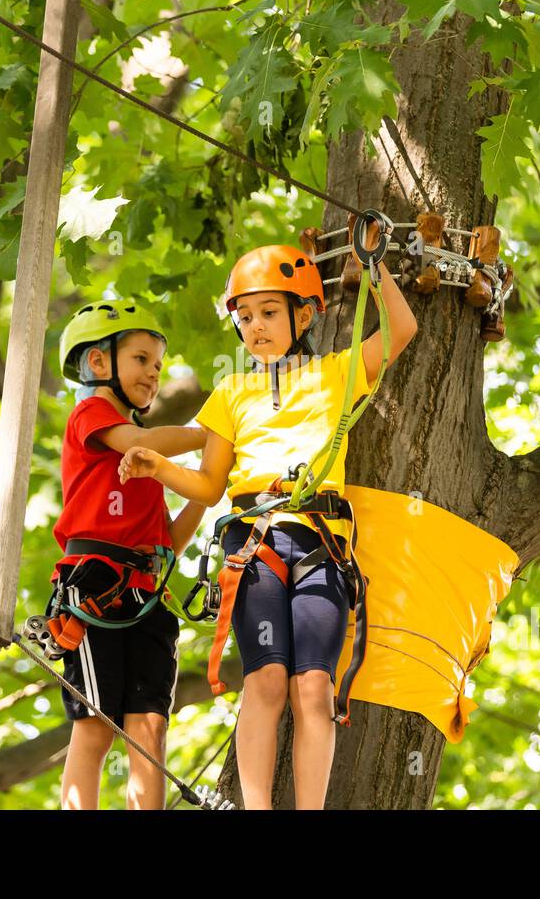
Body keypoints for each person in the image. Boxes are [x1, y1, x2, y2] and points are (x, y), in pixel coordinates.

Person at [117, 238, 417, 808]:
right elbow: (209, 486)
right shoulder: (231, 393)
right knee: (266, 680)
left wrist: (373, 265)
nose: (255, 327)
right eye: (246, 316)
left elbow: (401, 330)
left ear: (303, 314)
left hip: (320, 545)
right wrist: (158, 466)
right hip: (252, 546)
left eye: (269, 313)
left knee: (313, 686)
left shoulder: (335, 374)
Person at [48, 299, 207, 809]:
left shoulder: (144, 471)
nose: (154, 374)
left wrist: (207, 488)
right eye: (142, 359)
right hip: (92, 588)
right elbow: (143, 440)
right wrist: (216, 430)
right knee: (96, 724)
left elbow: (169, 543)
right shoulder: (93, 416)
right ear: (99, 363)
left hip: (145, 594)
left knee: (150, 728)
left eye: (158, 365)